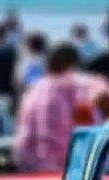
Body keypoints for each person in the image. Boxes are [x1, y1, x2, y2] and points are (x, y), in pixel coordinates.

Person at [12, 43, 84, 172]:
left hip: (27, 159)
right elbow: (48, 135)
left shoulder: (38, 86)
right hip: (43, 167)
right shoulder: (54, 91)